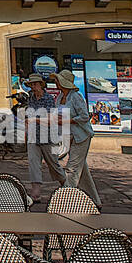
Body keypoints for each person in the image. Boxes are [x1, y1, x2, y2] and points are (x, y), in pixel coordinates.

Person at [55, 71, 101, 206]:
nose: (56, 83)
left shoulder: (76, 97)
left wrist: (68, 120)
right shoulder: (59, 98)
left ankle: (65, 200)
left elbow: (84, 116)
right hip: (69, 137)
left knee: (72, 169)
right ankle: (94, 200)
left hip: (81, 137)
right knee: (82, 171)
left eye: (58, 81)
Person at [23, 72, 66, 201]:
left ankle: (66, 184)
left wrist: (34, 119)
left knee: (53, 163)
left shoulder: (48, 99)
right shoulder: (31, 98)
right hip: (33, 136)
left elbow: (50, 119)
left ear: (41, 85)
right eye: (31, 85)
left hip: (47, 136)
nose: (33, 87)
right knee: (33, 163)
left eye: (35, 84)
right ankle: (36, 192)